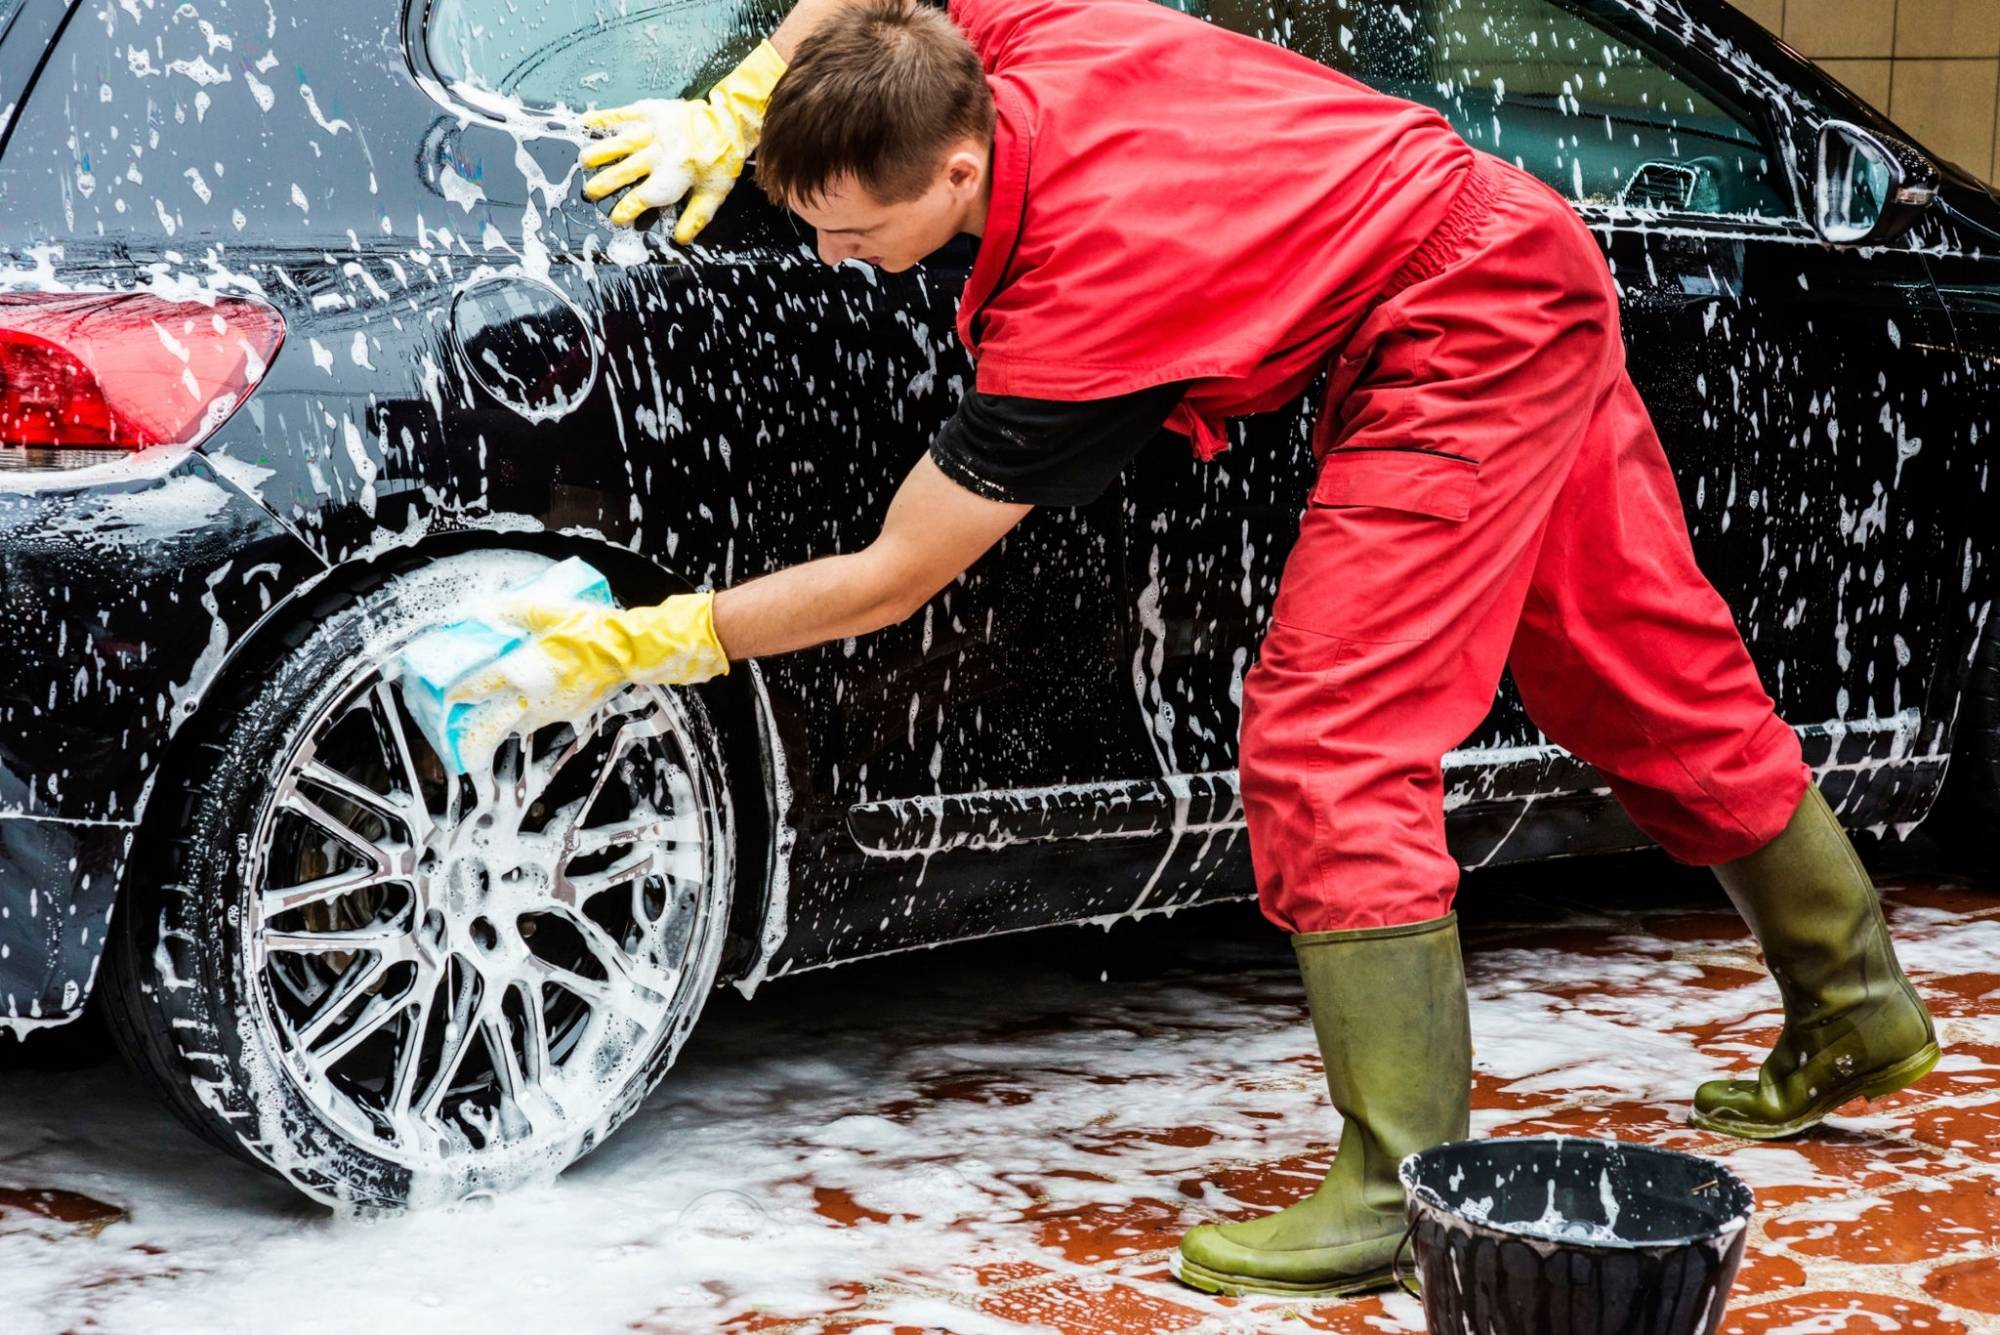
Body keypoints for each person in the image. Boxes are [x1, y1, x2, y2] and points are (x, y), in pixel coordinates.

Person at [451, 0, 1942, 1299]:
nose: (839, 261)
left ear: (959, 168)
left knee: (1330, 732)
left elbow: (896, 576)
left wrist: (662, 639)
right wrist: (745, 92)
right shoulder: (1011, 38)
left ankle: (1400, 1189)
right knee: (1631, 664)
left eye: (859, 231)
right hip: (1501, 245)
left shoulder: (1089, 298)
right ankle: (1857, 1006)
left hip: (1463, 316)